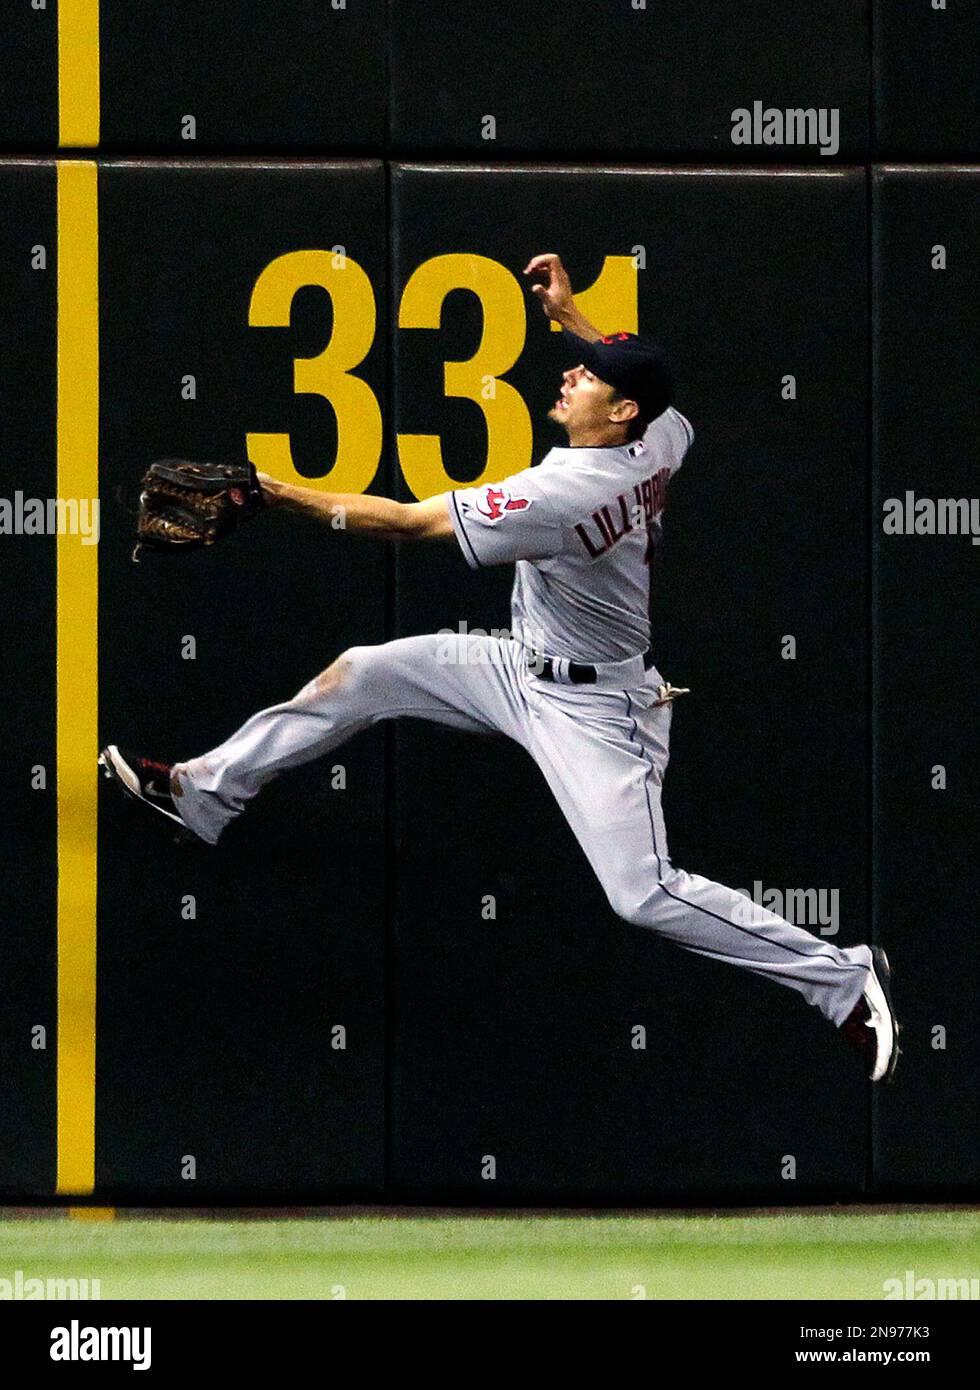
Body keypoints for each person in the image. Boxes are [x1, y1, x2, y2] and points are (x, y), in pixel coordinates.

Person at [100, 252, 899, 1082]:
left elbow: (408, 524)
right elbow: (650, 387)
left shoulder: (570, 494)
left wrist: (274, 492)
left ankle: (841, 979)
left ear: (617, 412)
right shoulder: (661, 434)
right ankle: (205, 792)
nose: (570, 376)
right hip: (521, 668)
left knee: (643, 894)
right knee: (365, 672)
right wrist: (574, 315)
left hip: (599, 712)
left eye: (587, 377)